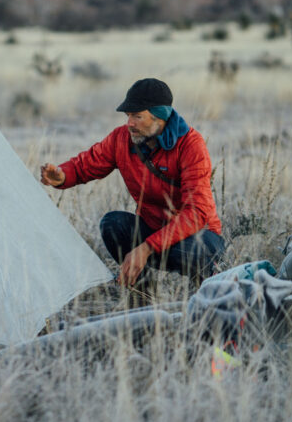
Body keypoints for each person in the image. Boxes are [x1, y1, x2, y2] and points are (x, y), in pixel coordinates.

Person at [41, 78, 224, 287]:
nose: (129, 123)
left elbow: (197, 213)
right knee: (112, 224)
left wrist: (146, 248)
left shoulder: (191, 145)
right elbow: (87, 164)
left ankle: (208, 289)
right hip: (153, 228)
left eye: (137, 116)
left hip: (197, 235)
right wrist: (62, 175)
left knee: (192, 252)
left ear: (160, 116)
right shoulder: (122, 138)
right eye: (128, 115)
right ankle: (142, 293)